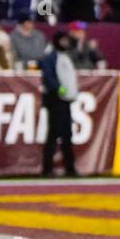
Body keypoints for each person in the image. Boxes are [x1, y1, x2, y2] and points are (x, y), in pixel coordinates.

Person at [39, 32, 78, 177]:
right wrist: (59, 89)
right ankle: (47, 168)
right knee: (53, 135)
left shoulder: (65, 56)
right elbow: (49, 78)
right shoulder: (51, 57)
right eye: (63, 40)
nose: (65, 43)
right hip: (55, 101)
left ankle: (70, 168)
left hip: (66, 101)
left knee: (67, 135)